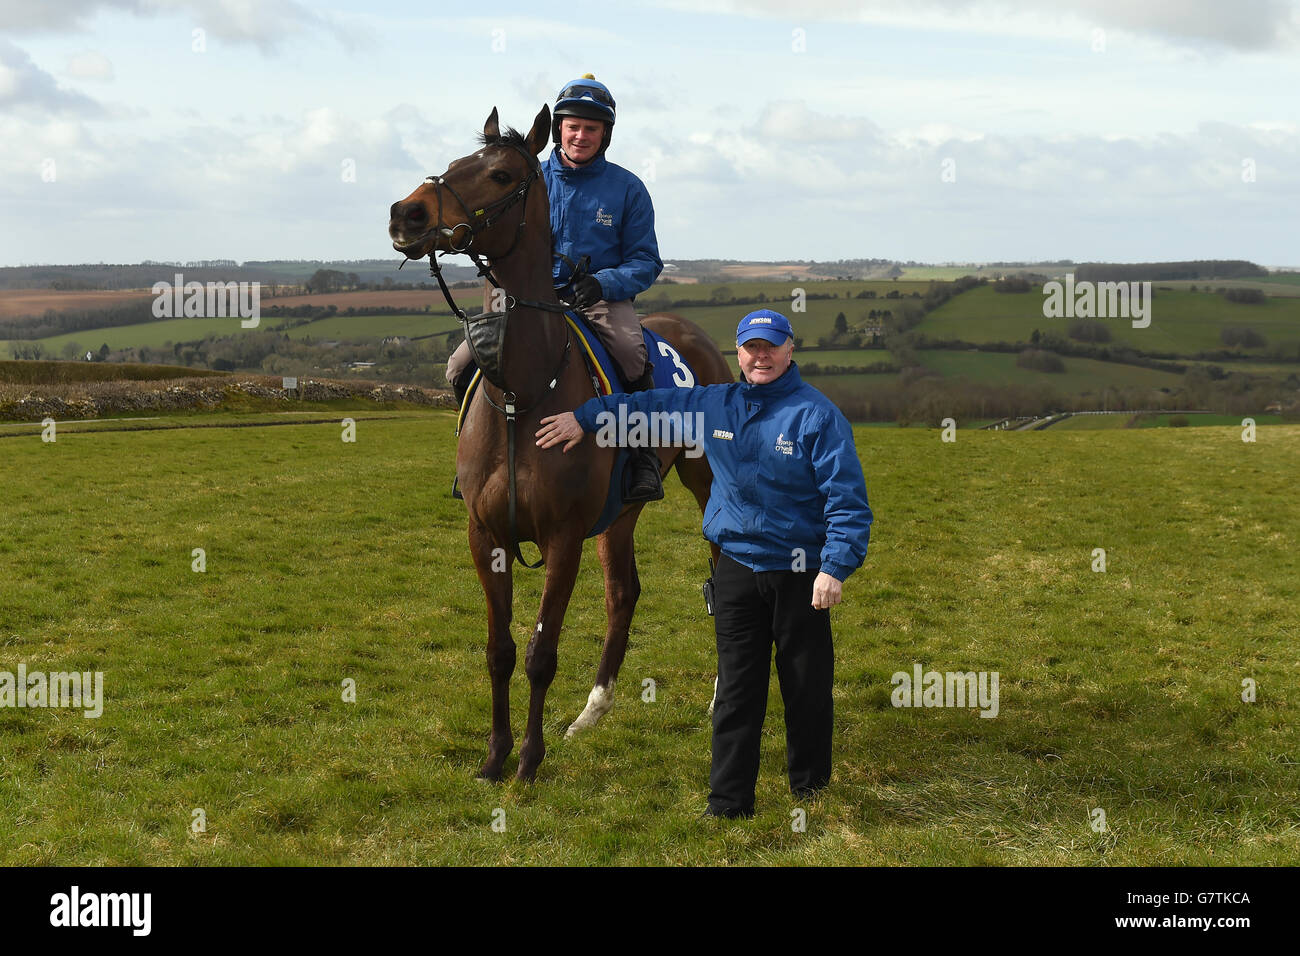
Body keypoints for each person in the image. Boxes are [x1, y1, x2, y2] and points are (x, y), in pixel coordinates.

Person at [535, 309, 873, 818]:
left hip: (801, 572)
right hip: (735, 568)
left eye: (771, 347)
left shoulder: (817, 416)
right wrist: (583, 418)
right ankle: (729, 803)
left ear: (789, 350)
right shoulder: (713, 405)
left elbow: (847, 501)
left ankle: (809, 787)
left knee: (805, 685)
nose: (761, 356)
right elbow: (648, 407)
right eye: (751, 347)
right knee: (738, 689)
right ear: (739, 353)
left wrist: (834, 568)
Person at [446, 74, 666, 501]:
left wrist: (602, 283)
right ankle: (474, 459)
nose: (581, 135)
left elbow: (646, 261)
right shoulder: (525, 178)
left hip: (596, 301)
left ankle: (643, 457)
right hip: (522, 302)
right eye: (573, 126)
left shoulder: (627, 189)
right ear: (558, 130)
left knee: (632, 356)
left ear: (605, 135)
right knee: (458, 367)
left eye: (591, 128)